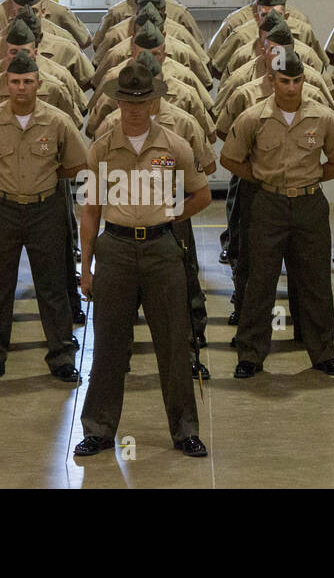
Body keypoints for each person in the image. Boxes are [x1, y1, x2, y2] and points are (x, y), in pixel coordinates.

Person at [73, 59, 210, 458]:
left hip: (161, 250)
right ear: (117, 104)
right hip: (114, 250)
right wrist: (85, 268)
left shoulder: (174, 145)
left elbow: (201, 194)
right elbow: (90, 210)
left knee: (173, 342)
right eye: (127, 102)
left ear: (154, 103)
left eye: (142, 101)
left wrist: (173, 214)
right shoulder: (100, 148)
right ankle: (98, 429)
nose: (134, 108)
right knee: (110, 344)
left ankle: (184, 430)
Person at [220, 51, 334, 378]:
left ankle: (323, 353)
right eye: (284, 81)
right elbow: (229, 159)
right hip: (268, 204)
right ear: (271, 81)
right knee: (259, 280)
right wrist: (262, 177)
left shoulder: (322, 118)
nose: (291, 88)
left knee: (315, 282)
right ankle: (250, 354)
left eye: (296, 81)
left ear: (304, 81)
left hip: (309, 205)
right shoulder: (254, 117)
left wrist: (312, 177)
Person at [0, 51, 88, 382]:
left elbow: (77, 162)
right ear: (6, 84)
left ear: (38, 84)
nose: (21, 88)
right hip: (3, 210)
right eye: (15, 82)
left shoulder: (57, 121)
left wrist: (46, 174)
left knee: (53, 285)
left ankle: (61, 357)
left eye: (27, 82)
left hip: (46, 209)